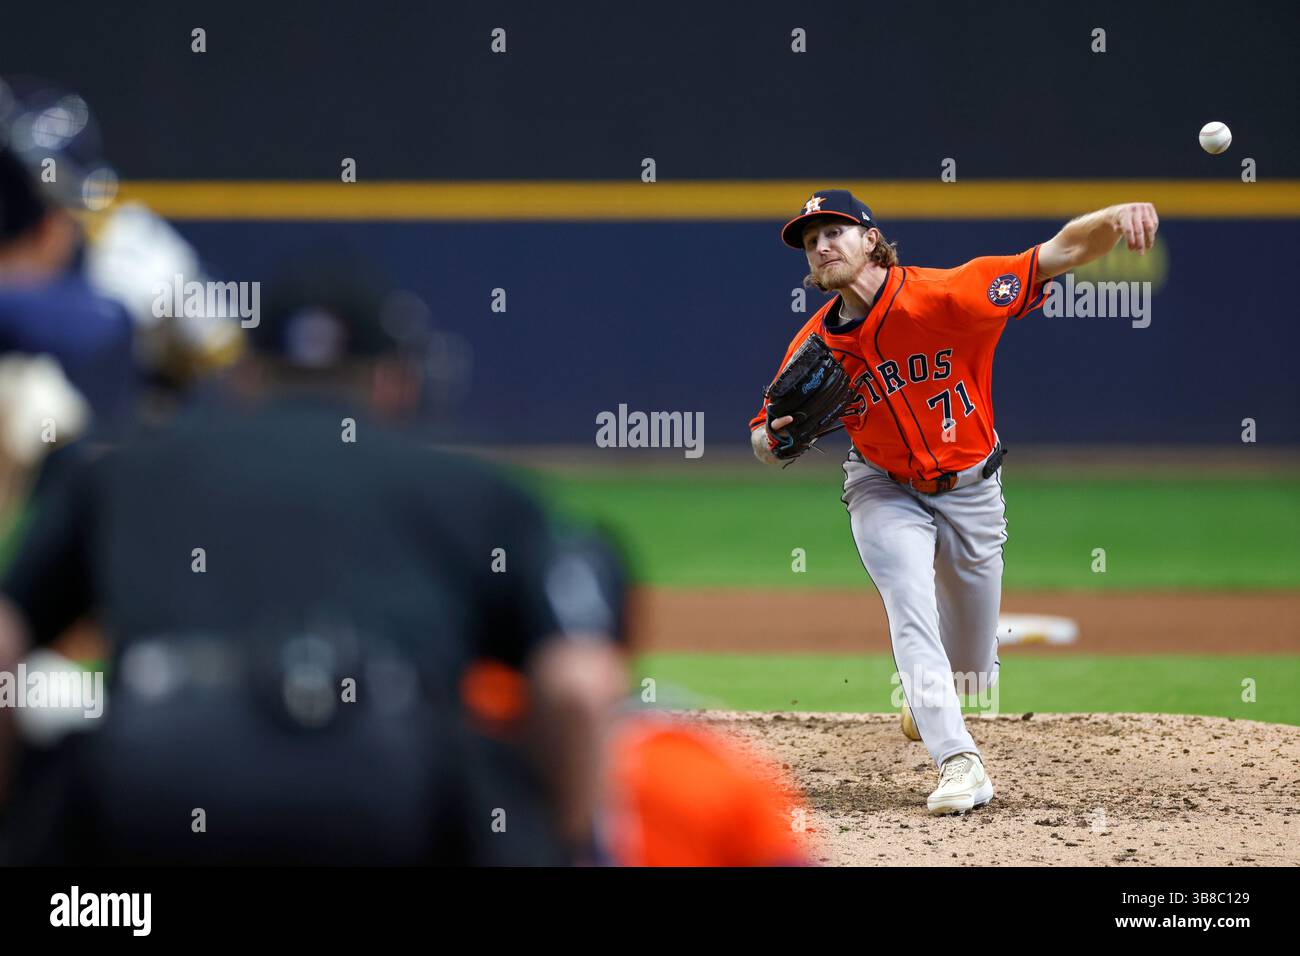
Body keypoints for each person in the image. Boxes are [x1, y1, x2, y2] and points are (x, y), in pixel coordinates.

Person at [0, 247, 627, 863]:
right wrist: (566, 843)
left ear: (247, 376)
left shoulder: (122, 476)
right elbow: (577, 688)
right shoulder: (482, 492)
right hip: (385, 787)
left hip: (157, 780)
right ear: (394, 380)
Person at [750, 190, 1158, 814]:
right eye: (810, 241)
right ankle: (960, 763)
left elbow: (1060, 252)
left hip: (971, 489)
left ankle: (933, 697)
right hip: (880, 486)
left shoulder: (949, 294)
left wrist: (1113, 216)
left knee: (972, 671)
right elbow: (762, 434)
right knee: (908, 599)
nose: (822, 246)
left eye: (834, 231)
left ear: (870, 238)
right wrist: (772, 439)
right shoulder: (817, 343)